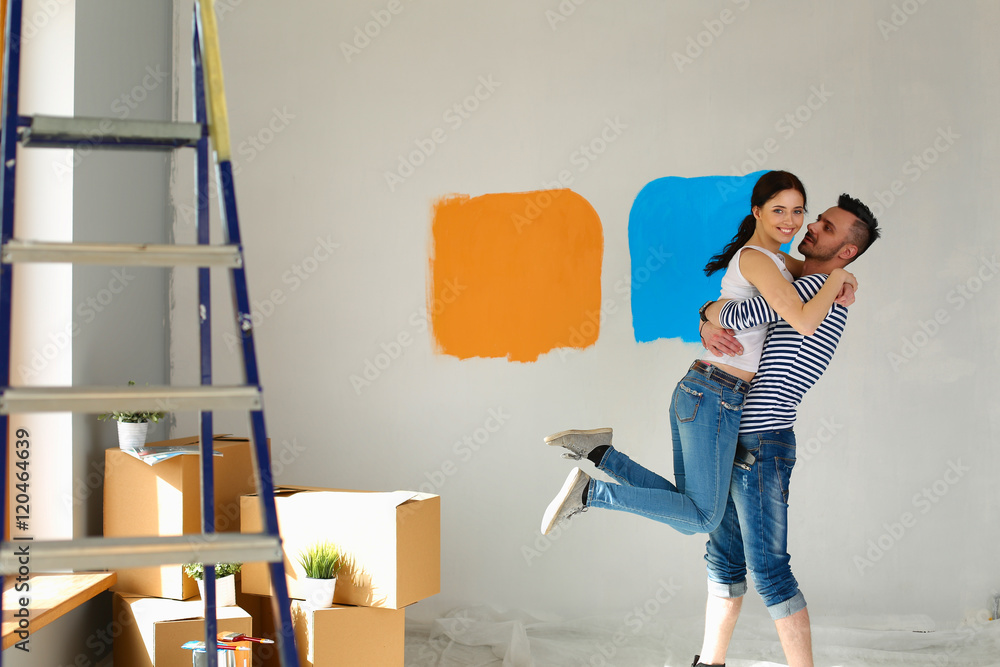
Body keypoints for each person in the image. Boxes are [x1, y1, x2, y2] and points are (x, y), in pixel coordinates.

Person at [539, 171, 856, 537]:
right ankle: (591, 493)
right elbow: (802, 319)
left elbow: (814, 270)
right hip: (715, 394)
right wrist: (838, 279)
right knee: (703, 517)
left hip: (705, 390)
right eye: (779, 211)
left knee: (690, 509)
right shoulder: (758, 260)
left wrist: (845, 277)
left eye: (798, 211)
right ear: (757, 211)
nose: (791, 222)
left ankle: (599, 454)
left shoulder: (779, 263)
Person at [690, 194, 880, 667]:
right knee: (724, 562)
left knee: (770, 571)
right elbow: (762, 298)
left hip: (761, 444)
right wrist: (705, 315)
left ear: (847, 251)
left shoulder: (817, 294)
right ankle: (710, 663)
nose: (810, 226)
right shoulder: (815, 283)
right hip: (739, 436)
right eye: (817, 219)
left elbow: (739, 316)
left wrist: (709, 313)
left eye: (827, 228)